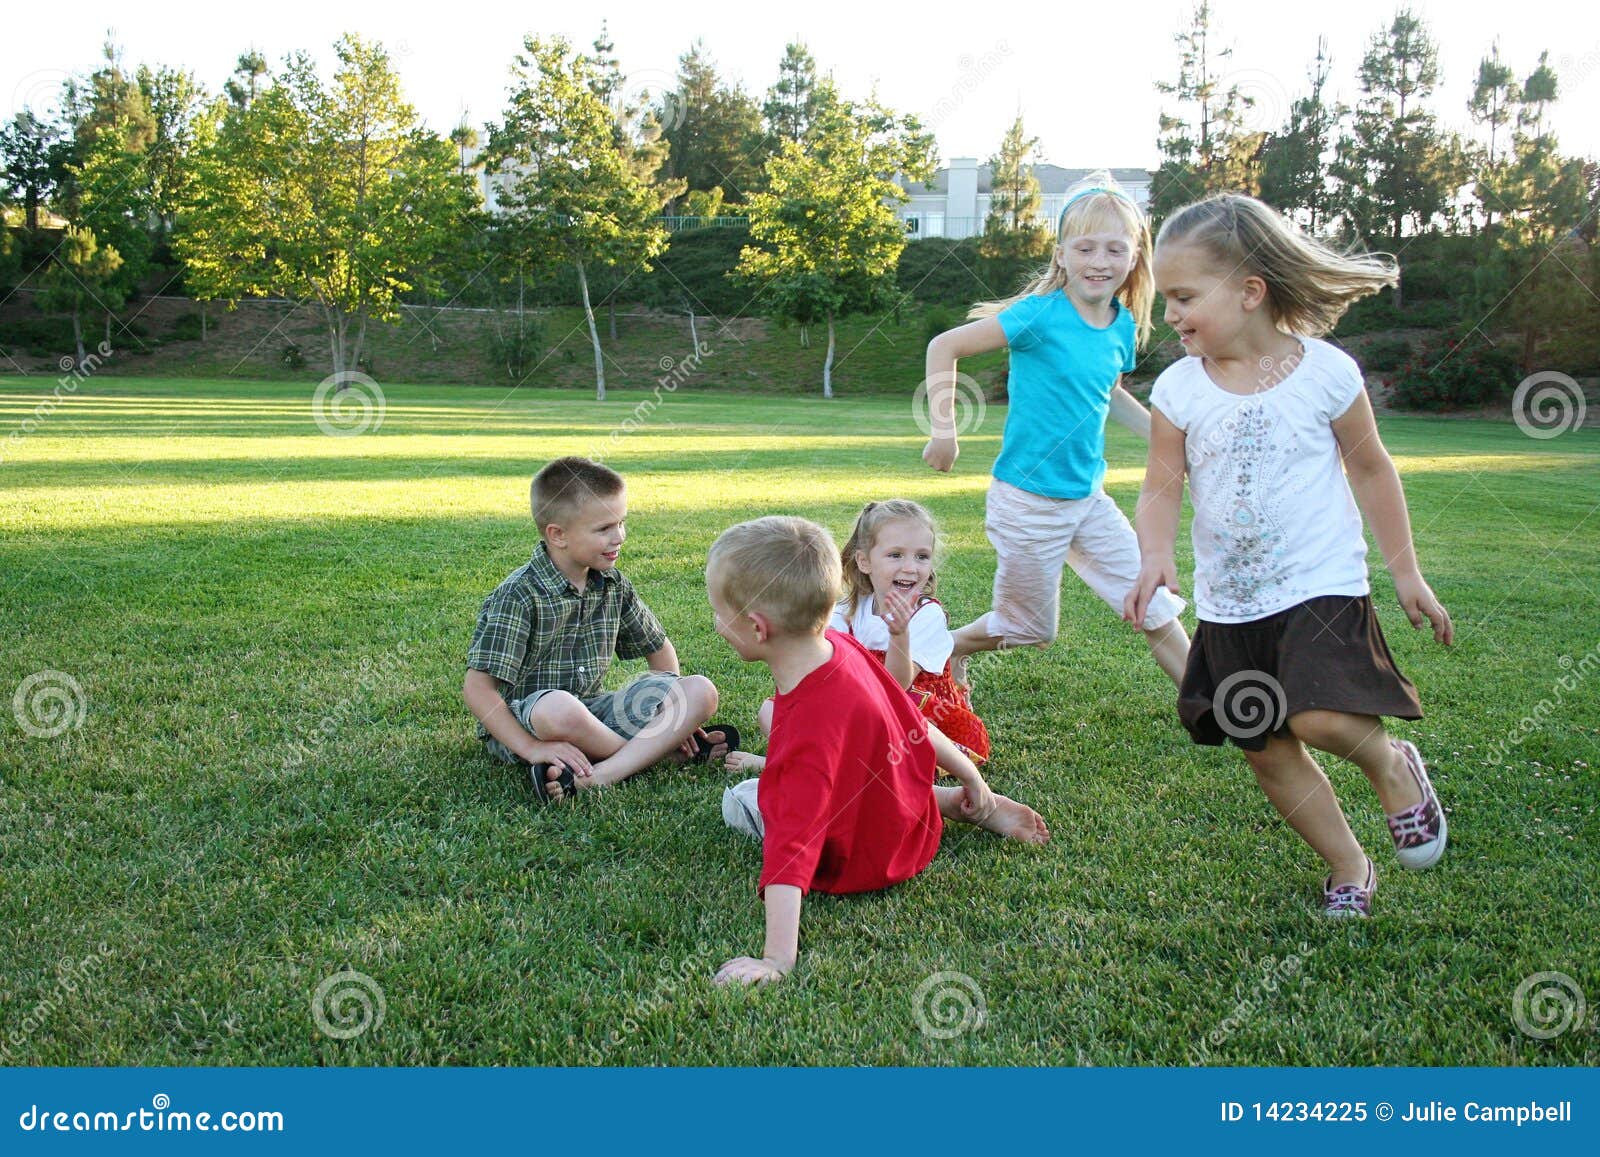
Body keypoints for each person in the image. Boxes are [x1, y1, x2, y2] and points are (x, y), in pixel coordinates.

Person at [1125, 193, 1453, 918]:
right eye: (1164, 300)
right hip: (1232, 600)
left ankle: (1391, 763)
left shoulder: (1326, 374)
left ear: (1249, 291)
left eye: (1183, 297)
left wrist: (1405, 570)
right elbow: (1161, 482)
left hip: (1320, 583)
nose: (1170, 315)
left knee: (1319, 717)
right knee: (1263, 742)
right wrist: (1154, 554)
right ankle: (1348, 866)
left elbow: (1371, 469)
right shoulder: (1178, 388)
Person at [706, 516, 1050, 986]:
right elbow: (913, 721)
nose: (714, 624)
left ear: (757, 627)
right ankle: (942, 799)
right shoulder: (844, 646)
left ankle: (937, 799)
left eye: (718, 613)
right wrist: (969, 774)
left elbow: (792, 845)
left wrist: (775, 960)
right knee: (856, 763)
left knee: (745, 797)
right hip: (911, 828)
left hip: (865, 862)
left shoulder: (805, 734)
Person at [920, 169, 1190, 689]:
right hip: (1027, 502)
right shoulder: (1038, 316)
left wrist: (1169, 437)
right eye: (1085, 248)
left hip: (1088, 499)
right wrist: (944, 431)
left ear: (1135, 257)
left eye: (1115, 250)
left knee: (1151, 601)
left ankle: (1217, 704)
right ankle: (949, 647)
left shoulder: (1121, 326)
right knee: (1030, 630)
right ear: (1061, 255)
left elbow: (1106, 393)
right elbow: (944, 347)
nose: (1100, 262)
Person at [463, 456, 737, 803]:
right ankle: (654, 756)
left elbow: (660, 651)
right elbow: (478, 689)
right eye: (604, 528)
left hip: (593, 712)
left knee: (700, 690)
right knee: (558, 708)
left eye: (621, 523)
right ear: (558, 535)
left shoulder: (612, 584)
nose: (619, 536)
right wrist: (531, 748)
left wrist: (668, 715)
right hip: (526, 721)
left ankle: (604, 770)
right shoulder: (519, 595)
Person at [724, 499, 990, 772]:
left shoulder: (926, 616)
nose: (911, 567)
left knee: (887, 754)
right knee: (772, 711)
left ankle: (785, 766)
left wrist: (898, 634)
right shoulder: (848, 611)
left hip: (909, 716)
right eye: (895, 555)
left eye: (922, 556)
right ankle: (815, 761)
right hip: (858, 707)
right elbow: (822, 671)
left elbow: (896, 688)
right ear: (864, 561)